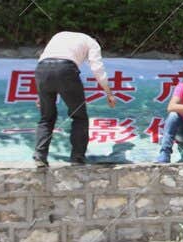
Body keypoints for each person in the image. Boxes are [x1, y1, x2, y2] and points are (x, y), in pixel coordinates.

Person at [33, 30, 124, 167]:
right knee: (79, 116)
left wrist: (40, 94)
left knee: (46, 117)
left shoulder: (59, 35)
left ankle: (40, 155)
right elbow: (97, 69)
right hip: (66, 70)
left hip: (41, 70)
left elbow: (44, 60)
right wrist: (109, 93)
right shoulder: (92, 43)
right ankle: (77, 157)